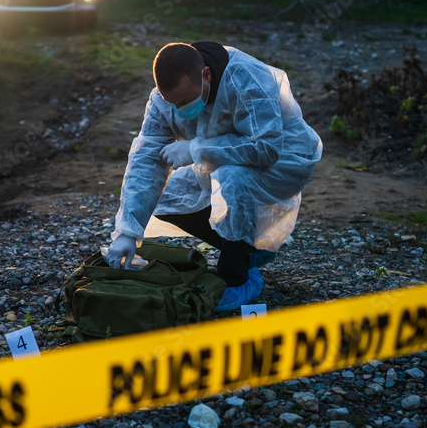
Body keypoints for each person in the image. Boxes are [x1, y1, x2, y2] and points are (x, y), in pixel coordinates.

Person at [105, 41, 322, 310]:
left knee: (233, 178)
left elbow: (265, 148)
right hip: (223, 158)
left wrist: (197, 148)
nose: (178, 111)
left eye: (184, 102)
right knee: (164, 197)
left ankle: (237, 276)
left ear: (206, 74)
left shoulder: (245, 77)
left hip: (286, 159)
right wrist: (128, 232)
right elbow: (146, 159)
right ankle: (249, 251)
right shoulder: (164, 100)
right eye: (172, 103)